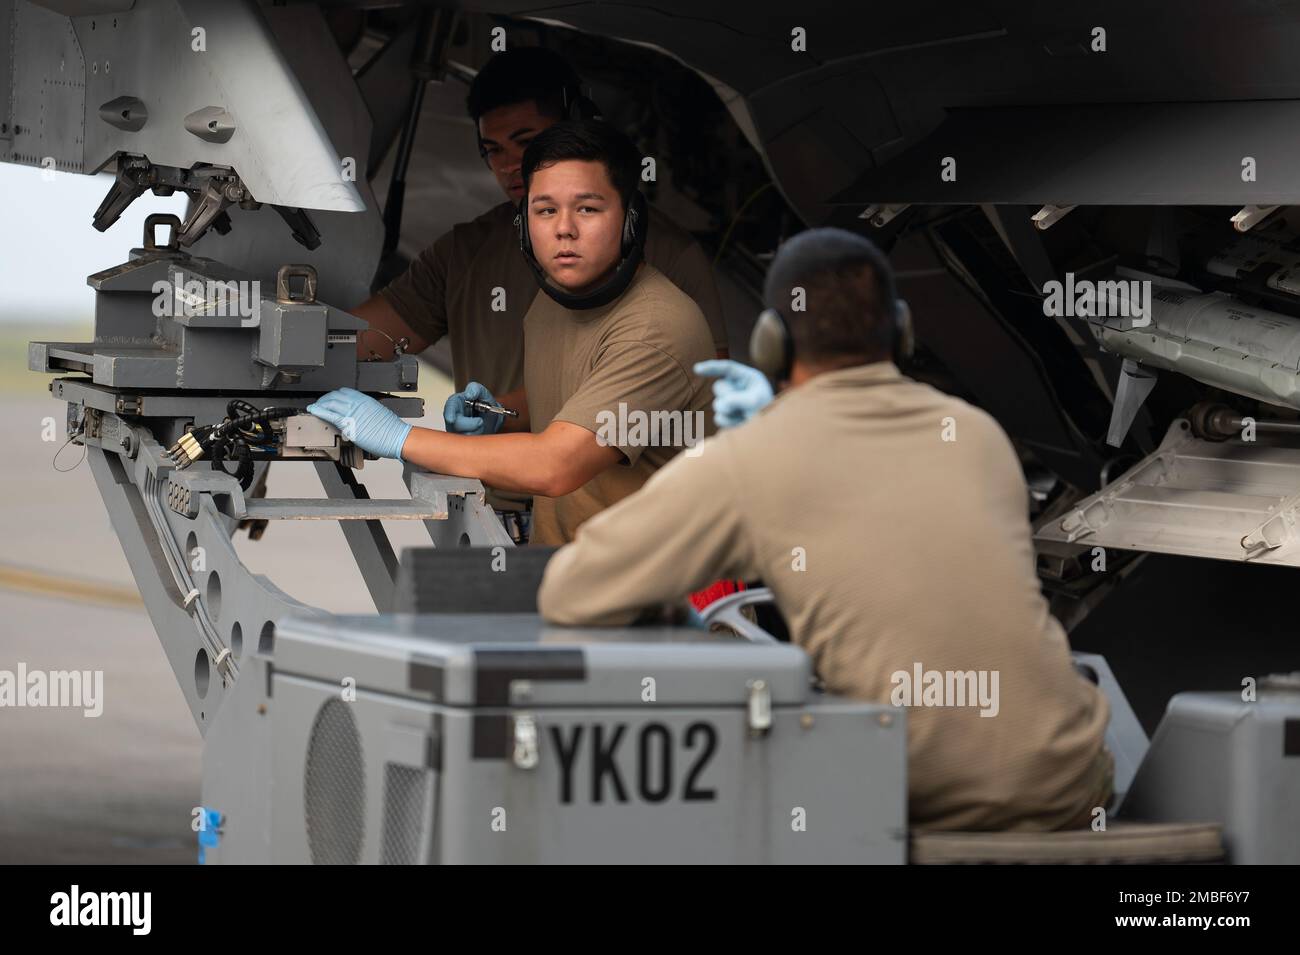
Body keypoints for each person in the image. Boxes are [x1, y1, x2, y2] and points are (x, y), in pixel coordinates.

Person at [536, 227, 1114, 832]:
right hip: (1071, 785)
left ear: (771, 343)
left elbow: (573, 590)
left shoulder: (747, 459)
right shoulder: (977, 435)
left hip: (912, 803)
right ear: (900, 329)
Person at [351, 47, 728, 540]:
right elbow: (586, 390)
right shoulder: (549, 291)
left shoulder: (662, 306)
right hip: (532, 538)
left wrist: (399, 438)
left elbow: (565, 457)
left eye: (588, 209)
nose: (513, 167)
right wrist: (500, 414)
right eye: (495, 151)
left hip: (646, 564)